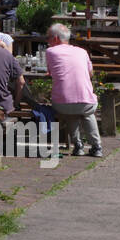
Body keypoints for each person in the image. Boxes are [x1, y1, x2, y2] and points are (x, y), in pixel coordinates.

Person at [44, 23, 102, 157]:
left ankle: (78, 145)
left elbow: (51, 72)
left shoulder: (50, 52)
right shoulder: (82, 52)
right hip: (86, 101)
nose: (47, 41)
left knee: (70, 108)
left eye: (48, 38)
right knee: (87, 113)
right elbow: (90, 73)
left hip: (63, 103)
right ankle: (97, 146)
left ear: (56, 38)